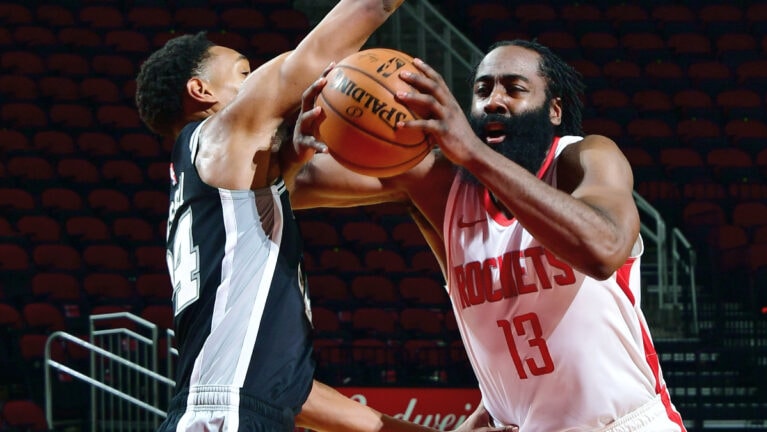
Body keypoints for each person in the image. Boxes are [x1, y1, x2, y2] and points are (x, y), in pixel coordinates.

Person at [134, 1, 514, 431]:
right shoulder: (219, 133)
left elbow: (298, 399)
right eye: (244, 73)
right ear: (202, 92)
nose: (256, 78)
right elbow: (333, 40)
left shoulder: (218, 207)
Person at [288, 39, 687, 431]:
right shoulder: (442, 185)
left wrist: (473, 153)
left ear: (554, 109)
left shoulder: (583, 158)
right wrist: (297, 143)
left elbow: (604, 250)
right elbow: (290, 184)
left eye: (514, 89)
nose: (494, 100)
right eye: (482, 90)